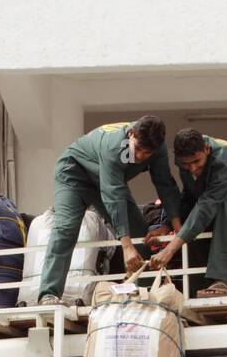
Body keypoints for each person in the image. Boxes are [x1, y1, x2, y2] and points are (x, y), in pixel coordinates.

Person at [37, 116, 183, 303]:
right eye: (137, 149)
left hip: (107, 181)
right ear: (131, 134)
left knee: (139, 232)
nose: (140, 156)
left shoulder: (158, 150)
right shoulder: (114, 146)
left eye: (147, 153)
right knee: (66, 229)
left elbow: (166, 185)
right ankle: (49, 293)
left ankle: (144, 293)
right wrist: (126, 246)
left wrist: (178, 227)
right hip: (73, 175)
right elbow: (113, 196)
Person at [147, 128, 227, 297]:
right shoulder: (185, 159)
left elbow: (207, 205)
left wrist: (170, 249)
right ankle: (200, 285)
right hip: (222, 196)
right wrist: (167, 224)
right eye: (186, 164)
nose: (192, 168)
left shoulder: (225, 161)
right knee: (197, 223)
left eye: (197, 161)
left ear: (206, 149)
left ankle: (223, 282)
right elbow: (190, 196)